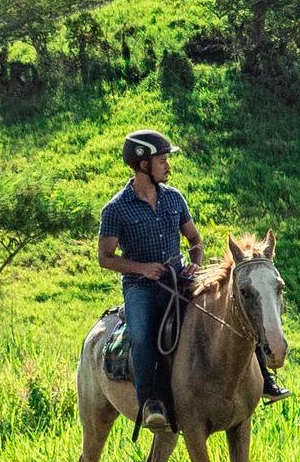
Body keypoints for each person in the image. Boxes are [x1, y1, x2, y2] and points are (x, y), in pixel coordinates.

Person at [96, 130, 286, 432]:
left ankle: (264, 379)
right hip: (141, 287)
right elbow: (105, 257)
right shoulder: (116, 208)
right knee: (143, 335)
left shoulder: (174, 198)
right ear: (143, 164)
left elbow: (195, 240)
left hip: (179, 278)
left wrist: (195, 266)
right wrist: (142, 269)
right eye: (162, 161)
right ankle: (151, 402)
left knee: (232, 315)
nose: (168, 166)